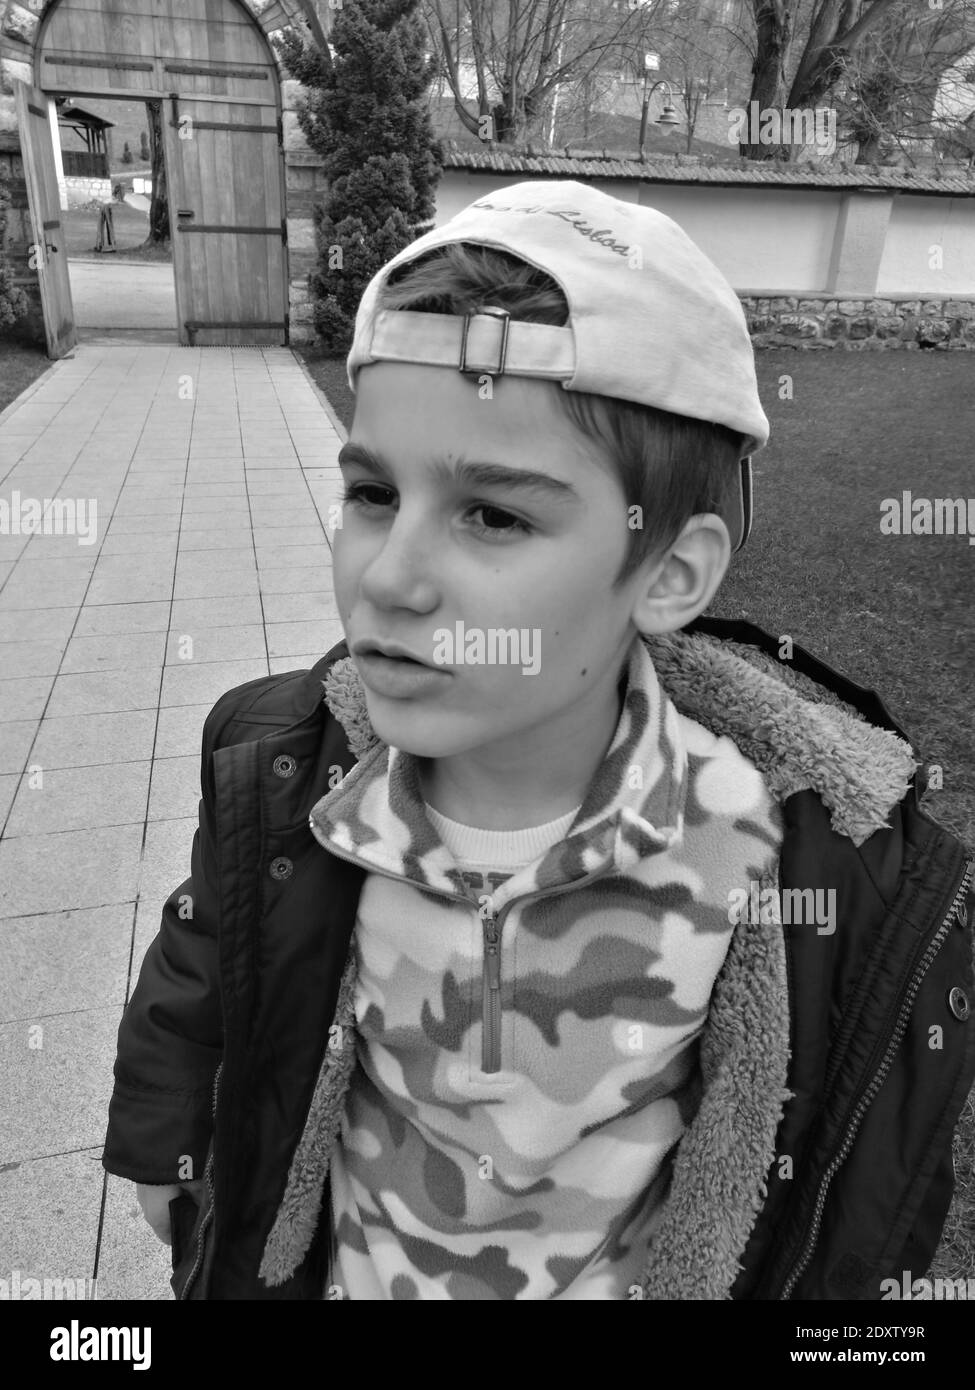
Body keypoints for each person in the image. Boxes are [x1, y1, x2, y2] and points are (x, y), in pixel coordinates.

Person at [103, 180, 975, 1300]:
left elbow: (873, 1156)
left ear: (668, 572)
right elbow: (206, 954)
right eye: (373, 492)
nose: (390, 574)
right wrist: (165, 1133)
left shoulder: (789, 854)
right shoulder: (293, 770)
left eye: (494, 514)